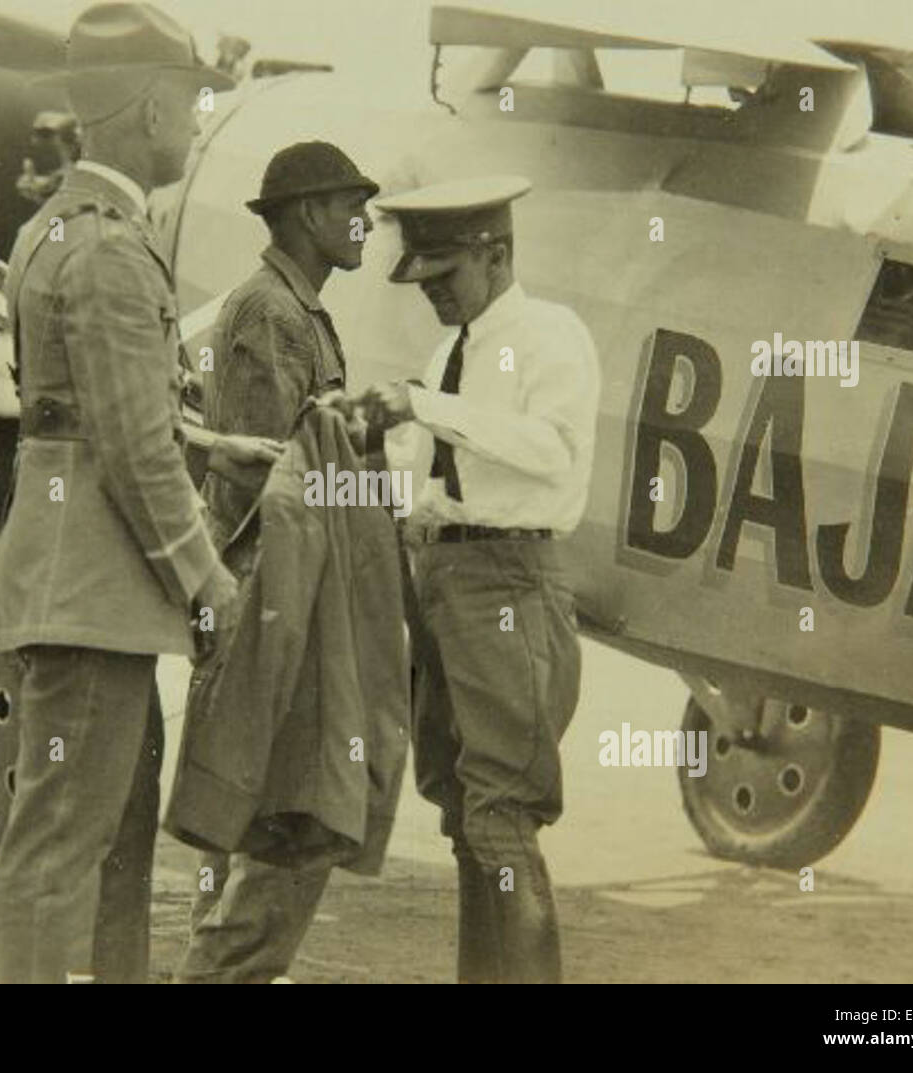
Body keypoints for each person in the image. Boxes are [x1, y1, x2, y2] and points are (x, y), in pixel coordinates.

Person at [0, 2, 277, 984]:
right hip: (97, 589)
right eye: (192, 103)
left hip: (69, 572)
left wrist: (210, 435)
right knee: (63, 841)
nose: (197, 124)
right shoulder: (110, 247)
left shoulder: (54, 227)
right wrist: (207, 580)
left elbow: (88, 413)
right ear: (151, 110)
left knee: (75, 833)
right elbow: (133, 454)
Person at [360, 175, 601, 983]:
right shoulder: (446, 354)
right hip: (449, 578)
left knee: (502, 811)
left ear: (494, 254)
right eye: (422, 280)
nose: (431, 294)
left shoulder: (552, 336)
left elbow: (552, 452)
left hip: (509, 582)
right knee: (464, 809)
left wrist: (428, 407)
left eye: (445, 277)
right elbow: (441, 478)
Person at [178, 141, 379, 984]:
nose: (361, 220)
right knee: (289, 816)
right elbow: (267, 477)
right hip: (274, 591)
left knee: (252, 817)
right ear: (305, 215)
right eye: (347, 206)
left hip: (282, 590)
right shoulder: (271, 314)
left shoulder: (294, 309)